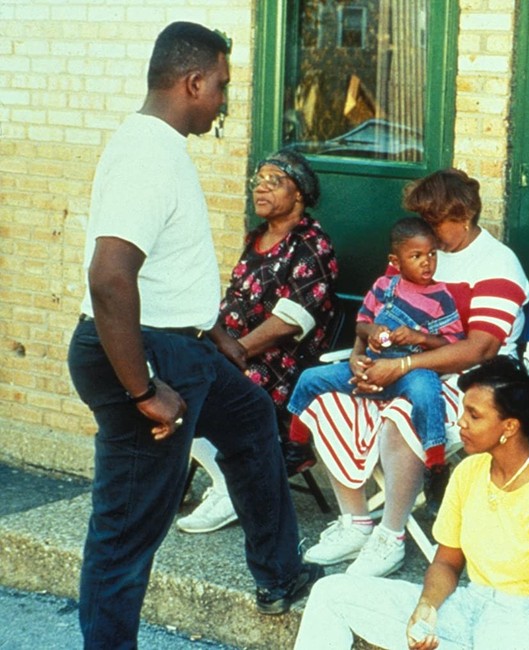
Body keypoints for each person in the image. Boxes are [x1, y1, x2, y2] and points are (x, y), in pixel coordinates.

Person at [66, 22, 321, 649]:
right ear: (193, 82)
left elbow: (163, 270)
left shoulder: (163, 147)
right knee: (127, 532)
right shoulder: (145, 153)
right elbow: (109, 277)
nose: (226, 102)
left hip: (185, 346)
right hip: (140, 353)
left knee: (255, 424)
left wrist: (217, 336)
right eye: (224, 88)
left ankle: (279, 574)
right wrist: (144, 389)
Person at [292, 168, 529, 578]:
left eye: (438, 223)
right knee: (330, 396)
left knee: (400, 417)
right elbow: (375, 313)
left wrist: (401, 366)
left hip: (474, 379)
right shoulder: (417, 252)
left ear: (466, 215)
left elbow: (480, 347)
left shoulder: (496, 264)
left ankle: (391, 535)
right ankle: (356, 522)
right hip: (399, 365)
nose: (431, 234)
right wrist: (359, 357)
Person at [293, 356, 529, 650]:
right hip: (469, 603)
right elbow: (447, 562)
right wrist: (427, 607)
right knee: (330, 592)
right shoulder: (469, 471)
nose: (460, 422)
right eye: (463, 410)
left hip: (525, 620)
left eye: (474, 415)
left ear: (510, 427)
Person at [176, 149, 339, 534]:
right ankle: (226, 481)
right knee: (168, 375)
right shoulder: (258, 237)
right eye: (258, 181)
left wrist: (237, 349)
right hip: (233, 349)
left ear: (298, 193)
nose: (261, 188)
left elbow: (290, 320)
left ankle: (232, 487)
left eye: (274, 181)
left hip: (279, 364)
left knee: (198, 387)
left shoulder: (312, 245)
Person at [287, 216, 464, 506]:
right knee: (310, 378)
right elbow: (361, 325)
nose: (427, 263)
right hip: (369, 369)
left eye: (432, 254)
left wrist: (420, 337)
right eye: (416, 256)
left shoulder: (441, 297)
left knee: (427, 391)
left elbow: (452, 342)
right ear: (395, 260)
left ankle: (435, 465)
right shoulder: (384, 286)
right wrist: (372, 332)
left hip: (409, 374)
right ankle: (297, 447)